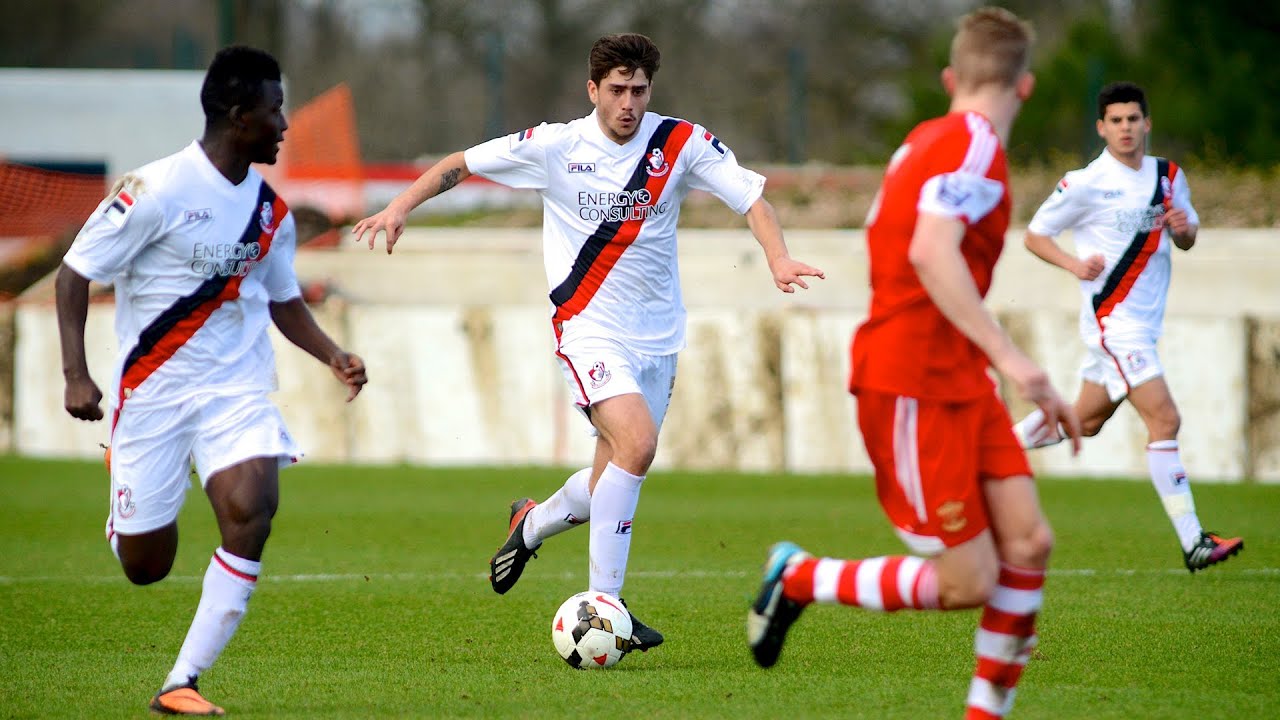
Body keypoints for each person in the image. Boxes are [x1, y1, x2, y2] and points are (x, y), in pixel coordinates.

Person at [353, 32, 824, 653]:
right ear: (593, 90)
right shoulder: (554, 146)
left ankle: (532, 523)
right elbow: (461, 163)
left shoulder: (679, 142)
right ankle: (608, 606)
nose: (629, 102)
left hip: (659, 339)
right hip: (587, 328)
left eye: (640, 90)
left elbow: (752, 197)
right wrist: (399, 207)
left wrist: (779, 256)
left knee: (614, 471)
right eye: (618, 90)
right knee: (637, 442)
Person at [747, 8, 1081, 719]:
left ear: (949, 77)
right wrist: (1019, 363)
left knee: (1029, 540)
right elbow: (932, 250)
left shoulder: (931, 138)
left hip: (955, 374)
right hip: (910, 379)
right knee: (968, 580)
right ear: (1025, 87)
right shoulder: (972, 145)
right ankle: (801, 576)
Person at [56, 46, 368, 716]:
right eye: (274, 108)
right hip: (153, 398)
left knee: (253, 509)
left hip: (234, 392)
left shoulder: (271, 213)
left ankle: (181, 681)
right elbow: (74, 273)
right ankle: (125, 496)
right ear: (237, 113)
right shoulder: (155, 190)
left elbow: (282, 299)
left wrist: (333, 353)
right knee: (148, 567)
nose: (285, 123)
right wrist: (76, 374)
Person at [1010, 82, 1243, 573]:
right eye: (1115, 121)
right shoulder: (1087, 181)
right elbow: (1034, 235)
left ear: (1147, 123)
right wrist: (1074, 266)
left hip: (1141, 327)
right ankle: (1193, 541)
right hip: (1114, 325)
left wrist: (1183, 230)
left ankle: (986, 452)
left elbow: (1188, 239)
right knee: (1165, 420)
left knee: (1085, 421)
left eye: (1133, 119)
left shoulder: (1169, 177)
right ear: (1101, 127)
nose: (1125, 128)